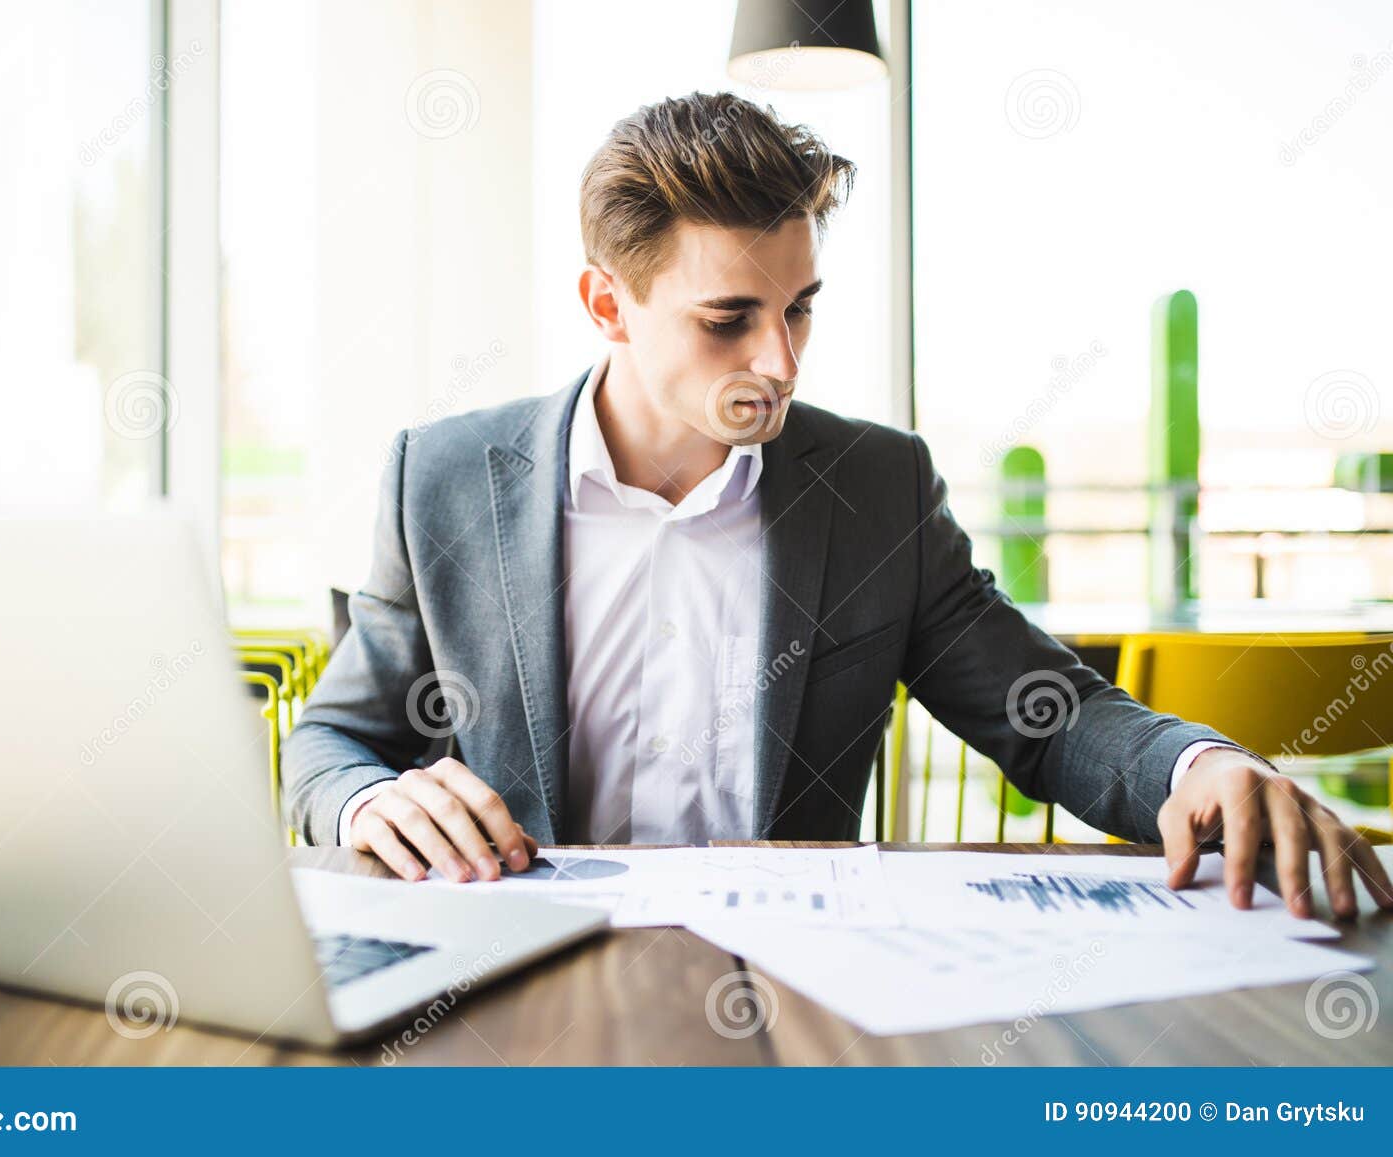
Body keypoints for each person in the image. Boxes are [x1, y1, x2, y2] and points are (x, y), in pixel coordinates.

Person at [282, 91, 1393, 920]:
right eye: (728, 318)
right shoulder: (439, 477)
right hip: (515, 981)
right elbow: (333, 738)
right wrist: (362, 801)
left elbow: (1046, 711)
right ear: (605, 303)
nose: (779, 359)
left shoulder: (875, 489)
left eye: (799, 309)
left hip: (789, 992)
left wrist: (1200, 765)